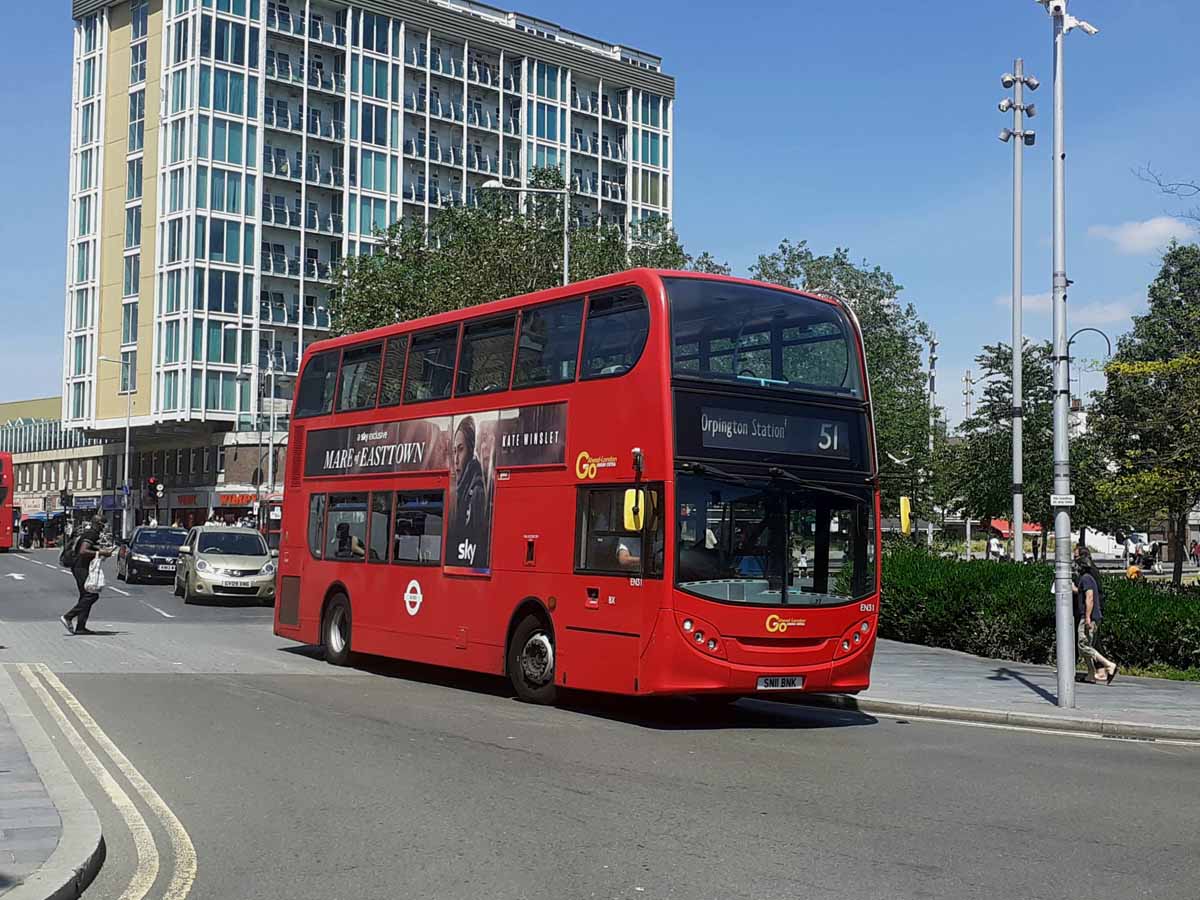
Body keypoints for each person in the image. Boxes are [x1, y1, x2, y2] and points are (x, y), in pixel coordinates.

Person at [60, 514, 113, 636]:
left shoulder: (90, 533)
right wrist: (101, 552)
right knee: (91, 595)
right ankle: (68, 616)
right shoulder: (91, 534)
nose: (103, 528)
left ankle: (80, 627)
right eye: (102, 525)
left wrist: (100, 552)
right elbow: (83, 551)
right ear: (97, 524)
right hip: (80, 567)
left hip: (80, 566)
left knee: (85, 596)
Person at [448, 416, 489, 568]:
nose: (456, 459)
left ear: (471, 451)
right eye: (454, 451)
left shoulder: (475, 491)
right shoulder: (460, 489)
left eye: (460, 449)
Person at [1072, 548, 1118, 685]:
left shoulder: (1086, 577)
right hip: (1090, 615)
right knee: (1087, 643)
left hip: (1089, 616)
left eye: (1076, 560)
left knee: (1083, 645)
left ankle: (1108, 665)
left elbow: (1090, 597)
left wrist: (1087, 617)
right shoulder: (1088, 577)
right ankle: (1092, 674)